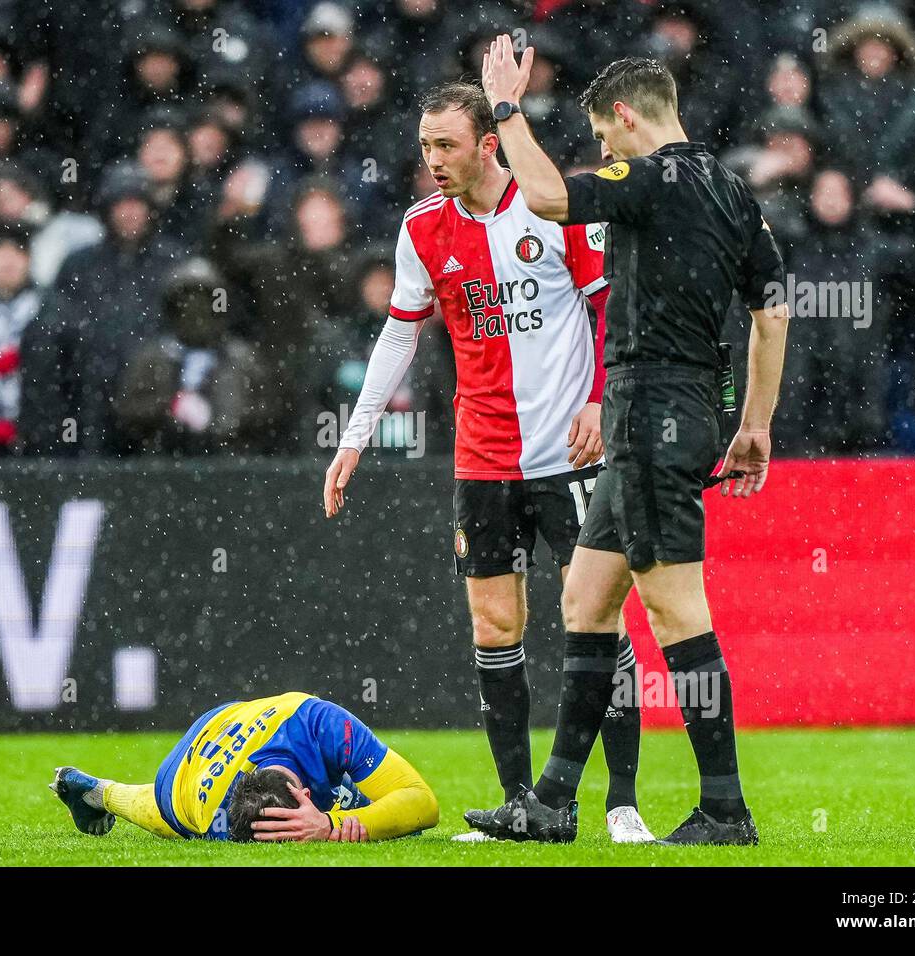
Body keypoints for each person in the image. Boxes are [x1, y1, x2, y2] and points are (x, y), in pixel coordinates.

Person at [472, 40, 789, 845]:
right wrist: (753, 425)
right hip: (685, 411)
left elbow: (543, 197)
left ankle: (725, 809)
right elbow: (774, 310)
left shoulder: (649, 179)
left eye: (603, 140)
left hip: (649, 412)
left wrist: (508, 109)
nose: (603, 155)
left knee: (676, 607)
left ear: (623, 117)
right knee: (586, 597)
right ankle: (549, 804)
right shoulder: (730, 190)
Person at [322, 81, 652, 844]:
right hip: (484, 459)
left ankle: (621, 801)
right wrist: (354, 437)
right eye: (425, 145)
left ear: (487, 145)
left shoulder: (553, 207)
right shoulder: (423, 229)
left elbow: (609, 308)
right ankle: (519, 803)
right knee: (496, 624)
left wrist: (601, 402)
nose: (433, 160)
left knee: (595, 617)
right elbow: (400, 336)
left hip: (568, 456)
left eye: (446, 145)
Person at [50, 691, 438, 843]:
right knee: (148, 808)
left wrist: (329, 825)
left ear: (308, 795)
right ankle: (101, 792)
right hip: (184, 774)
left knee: (379, 811)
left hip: (251, 715)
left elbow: (425, 803)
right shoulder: (215, 819)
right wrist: (344, 827)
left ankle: (93, 790)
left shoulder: (323, 723)